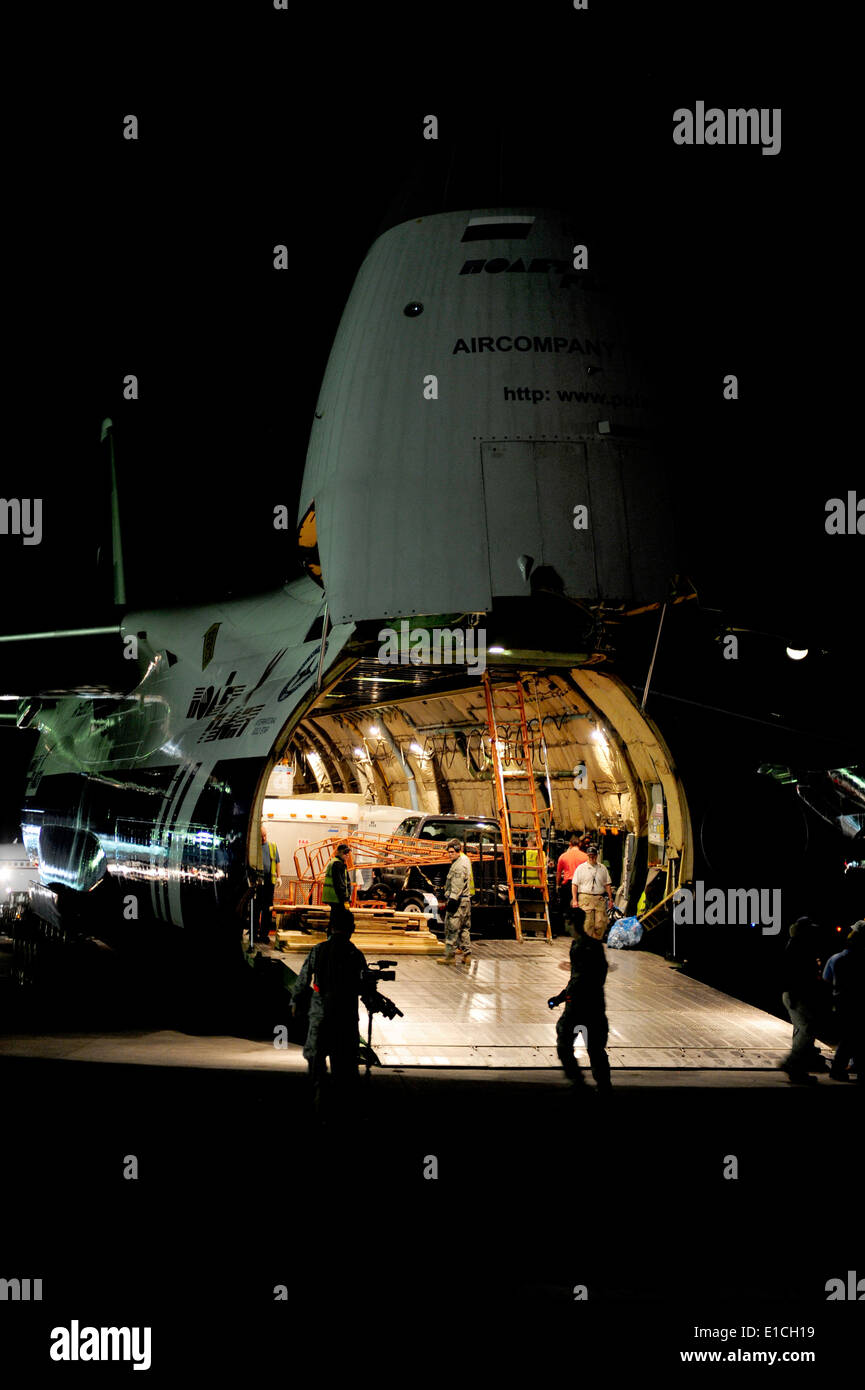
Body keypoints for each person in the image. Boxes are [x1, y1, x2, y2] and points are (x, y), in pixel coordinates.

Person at [291, 909, 372, 1120]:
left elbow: (303, 979)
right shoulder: (355, 955)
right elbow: (365, 988)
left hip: (320, 1015)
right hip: (345, 1017)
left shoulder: (319, 950)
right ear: (352, 929)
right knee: (345, 1069)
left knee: (316, 1065)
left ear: (330, 927)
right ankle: (343, 1113)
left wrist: (296, 1001)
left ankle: (318, 1107)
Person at [548, 906, 611, 1092]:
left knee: (564, 1043)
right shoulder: (593, 945)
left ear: (570, 923)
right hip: (595, 1005)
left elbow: (578, 979)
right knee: (596, 1049)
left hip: (578, 1006)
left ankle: (578, 1082)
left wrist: (560, 999)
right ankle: (604, 1086)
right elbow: (600, 975)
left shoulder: (579, 947)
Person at [778, 916, 827, 1084]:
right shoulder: (798, 946)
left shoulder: (797, 944)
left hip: (796, 994)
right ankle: (792, 1063)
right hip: (796, 994)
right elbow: (795, 973)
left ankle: (797, 1069)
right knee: (807, 1029)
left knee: (803, 1030)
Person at [823, 920, 864, 1082]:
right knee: (855, 1038)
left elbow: (826, 982)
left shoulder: (836, 959)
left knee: (849, 1038)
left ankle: (842, 1068)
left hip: (841, 1004)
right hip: (858, 1003)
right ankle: (841, 1069)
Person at [436, 838, 473, 965]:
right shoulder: (465, 859)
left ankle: (449, 956)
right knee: (464, 928)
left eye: (452, 852)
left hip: (458, 901)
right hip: (466, 901)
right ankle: (467, 955)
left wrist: (452, 900)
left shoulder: (458, 866)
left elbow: (457, 885)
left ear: (458, 851)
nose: (449, 854)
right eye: (449, 852)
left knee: (451, 927)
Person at [571, 844, 614, 941]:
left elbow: (607, 884)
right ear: (587, 856)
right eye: (590, 856)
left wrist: (610, 899)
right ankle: (587, 942)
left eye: (593, 856)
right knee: (588, 924)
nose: (591, 857)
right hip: (585, 898)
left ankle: (596, 942)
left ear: (596, 856)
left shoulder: (602, 868)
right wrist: (574, 900)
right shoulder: (581, 868)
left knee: (601, 923)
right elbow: (574, 884)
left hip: (599, 899)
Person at [255, 824, 281, 943]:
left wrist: (279, 877)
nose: (264, 838)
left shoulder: (272, 846)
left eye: (265, 835)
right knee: (256, 908)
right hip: (257, 882)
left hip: (269, 882)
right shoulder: (254, 848)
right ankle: (254, 934)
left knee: (267, 909)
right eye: (261, 836)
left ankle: (264, 935)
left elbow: (277, 862)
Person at [322, 842, 353, 933]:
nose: (347, 855)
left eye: (348, 853)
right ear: (339, 853)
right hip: (336, 897)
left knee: (335, 918)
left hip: (334, 896)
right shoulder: (337, 864)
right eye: (345, 853)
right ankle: (333, 936)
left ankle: (331, 935)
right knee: (337, 919)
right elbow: (339, 883)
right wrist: (345, 898)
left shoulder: (336, 862)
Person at [556, 832, 588, 917]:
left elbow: (558, 873)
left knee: (565, 908)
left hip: (567, 885)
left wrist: (558, 885)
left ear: (570, 844)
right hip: (581, 886)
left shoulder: (563, 856)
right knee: (580, 908)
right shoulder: (585, 857)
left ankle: (566, 921)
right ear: (580, 844)